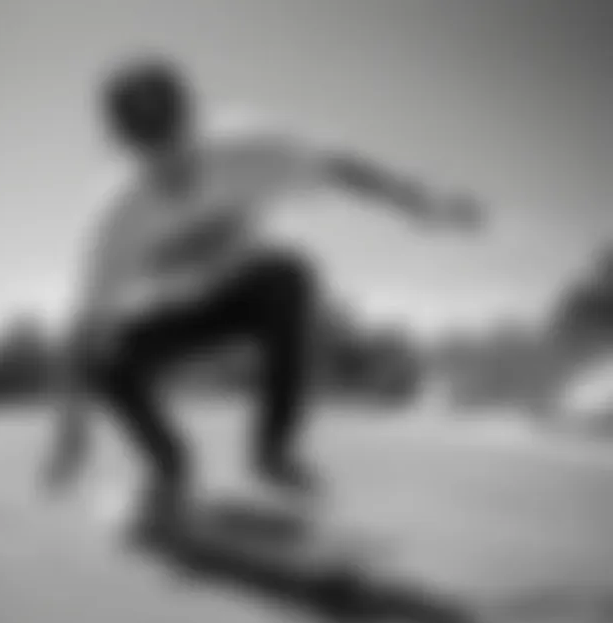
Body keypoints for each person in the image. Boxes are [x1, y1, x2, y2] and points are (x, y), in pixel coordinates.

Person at [43, 57, 482, 548]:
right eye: (150, 149)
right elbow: (84, 328)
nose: (169, 162)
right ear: (123, 148)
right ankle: (169, 466)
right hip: (167, 317)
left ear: (192, 119)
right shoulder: (115, 218)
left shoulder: (248, 147)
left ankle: (273, 451)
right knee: (104, 362)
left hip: (241, 293)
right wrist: (70, 428)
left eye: (174, 139)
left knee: (289, 274)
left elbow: (342, 167)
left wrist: (423, 201)